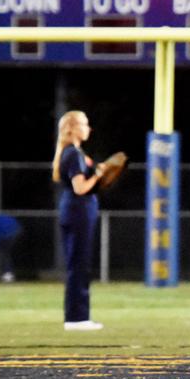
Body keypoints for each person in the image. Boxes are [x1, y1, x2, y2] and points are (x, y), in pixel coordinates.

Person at [51, 110, 106, 331]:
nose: (88, 128)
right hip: (78, 213)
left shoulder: (73, 152)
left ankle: (78, 316)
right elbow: (80, 187)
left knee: (79, 265)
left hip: (76, 212)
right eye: (84, 124)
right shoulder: (73, 153)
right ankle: (76, 318)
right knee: (79, 266)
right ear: (72, 128)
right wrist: (99, 174)